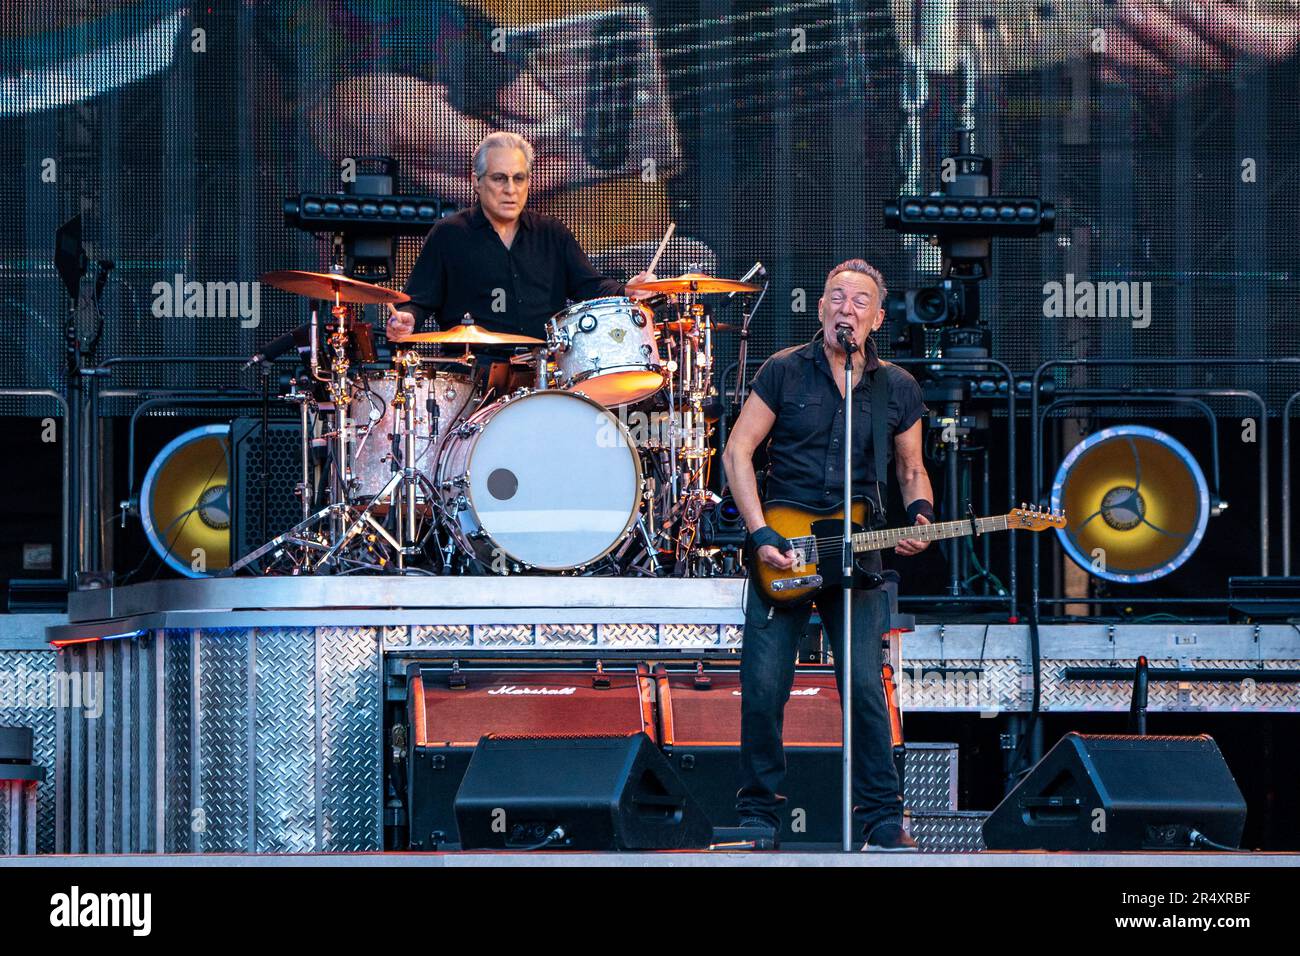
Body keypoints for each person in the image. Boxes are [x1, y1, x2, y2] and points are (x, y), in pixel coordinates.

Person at [720, 258, 935, 851]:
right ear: (820, 309)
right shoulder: (784, 372)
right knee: (763, 687)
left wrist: (920, 515)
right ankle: (760, 816)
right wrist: (761, 533)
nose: (847, 308)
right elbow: (739, 451)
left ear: (878, 318)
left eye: (861, 300)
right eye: (836, 297)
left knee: (865, 687)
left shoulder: (896, 387)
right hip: (785, 545)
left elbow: (911, 469)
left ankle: (882, 821)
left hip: (858, 548)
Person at [385, 131, 654, 341]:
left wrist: (626, 291)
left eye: (519, 178)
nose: (510, 189)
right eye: (499, 178)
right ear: (476, 181)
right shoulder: (449, 234)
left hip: (543, 373)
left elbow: (590, 285)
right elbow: (418, 301)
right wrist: (407, 319)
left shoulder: (552, 233)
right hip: (473, 375)